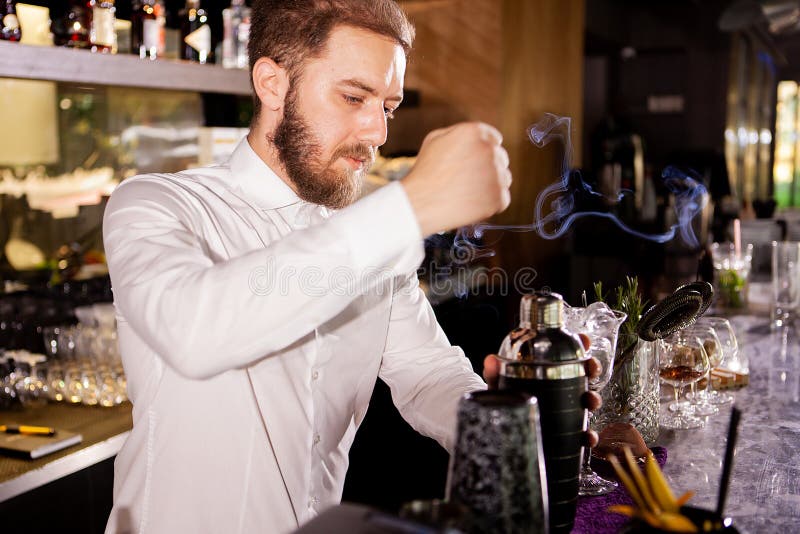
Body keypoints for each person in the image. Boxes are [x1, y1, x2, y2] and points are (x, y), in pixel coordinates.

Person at [102, 1, 599, 532]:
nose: (377, 132)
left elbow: (426, 373)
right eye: (353, 97)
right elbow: (194, 331)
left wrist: (508, 421)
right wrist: (413, 205)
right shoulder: (155, 205)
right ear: (272, 84)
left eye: (387, 105)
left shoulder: (372, 231)